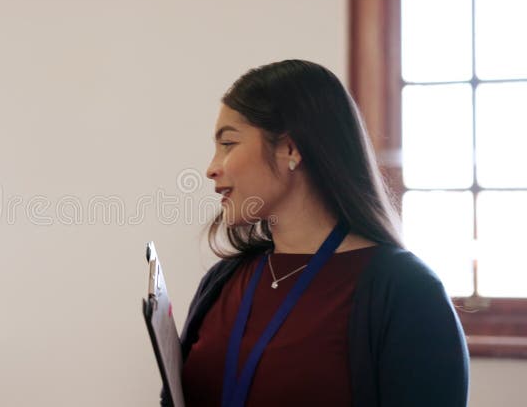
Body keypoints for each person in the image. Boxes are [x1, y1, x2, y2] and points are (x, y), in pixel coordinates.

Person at [164, 60, 469, 406]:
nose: (211, 168)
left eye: (228, 143)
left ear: (290, 149)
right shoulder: (223, 280)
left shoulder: (408, 291)